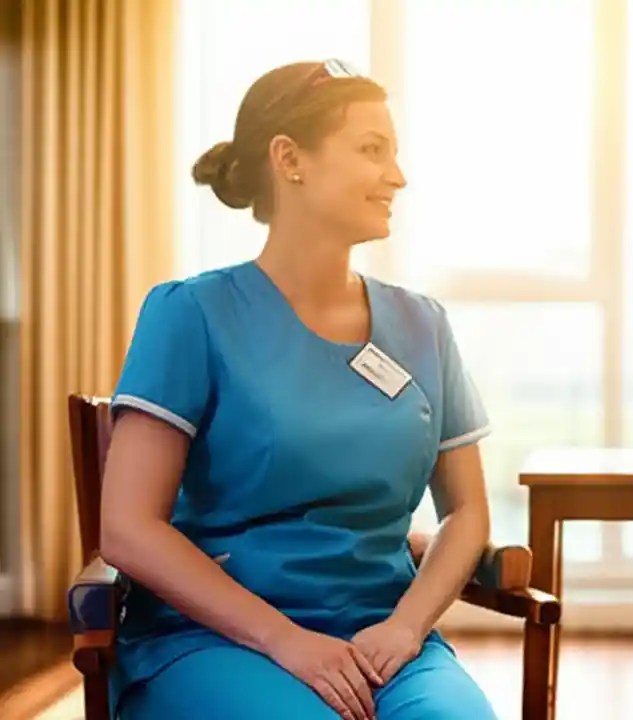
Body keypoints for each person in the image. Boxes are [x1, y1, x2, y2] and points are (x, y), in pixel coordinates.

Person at [99, 59, 498, 720]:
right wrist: (286, 640)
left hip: (382, 643)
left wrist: (406, 627)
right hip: (217, 640)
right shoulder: (191, 315)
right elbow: (128, 527)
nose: (397, 177)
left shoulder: (422, 325)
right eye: (372, 151)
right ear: (290, 159)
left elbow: (468, 511)